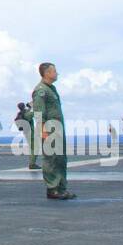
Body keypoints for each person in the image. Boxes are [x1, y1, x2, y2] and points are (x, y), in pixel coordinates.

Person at [33, 62, 73, 200]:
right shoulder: (41, 90)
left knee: (60, 159)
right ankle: (52, 189)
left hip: (58, 129)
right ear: (47, 73)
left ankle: (61, 188)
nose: (57, 73)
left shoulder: (51, 89)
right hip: (49, 130)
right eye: (54, 71)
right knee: (51, 159)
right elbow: (38, 113)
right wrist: (42, 130)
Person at [15, 102, 40, 170]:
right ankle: (32, 164)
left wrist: (30, 107)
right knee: (35, 148)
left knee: (33, 148)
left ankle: (32, 163)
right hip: (30, 133)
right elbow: (33, 113)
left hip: (28, 133)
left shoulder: (22, 113)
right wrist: (32, 106)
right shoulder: (26, 114)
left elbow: (30, 112)